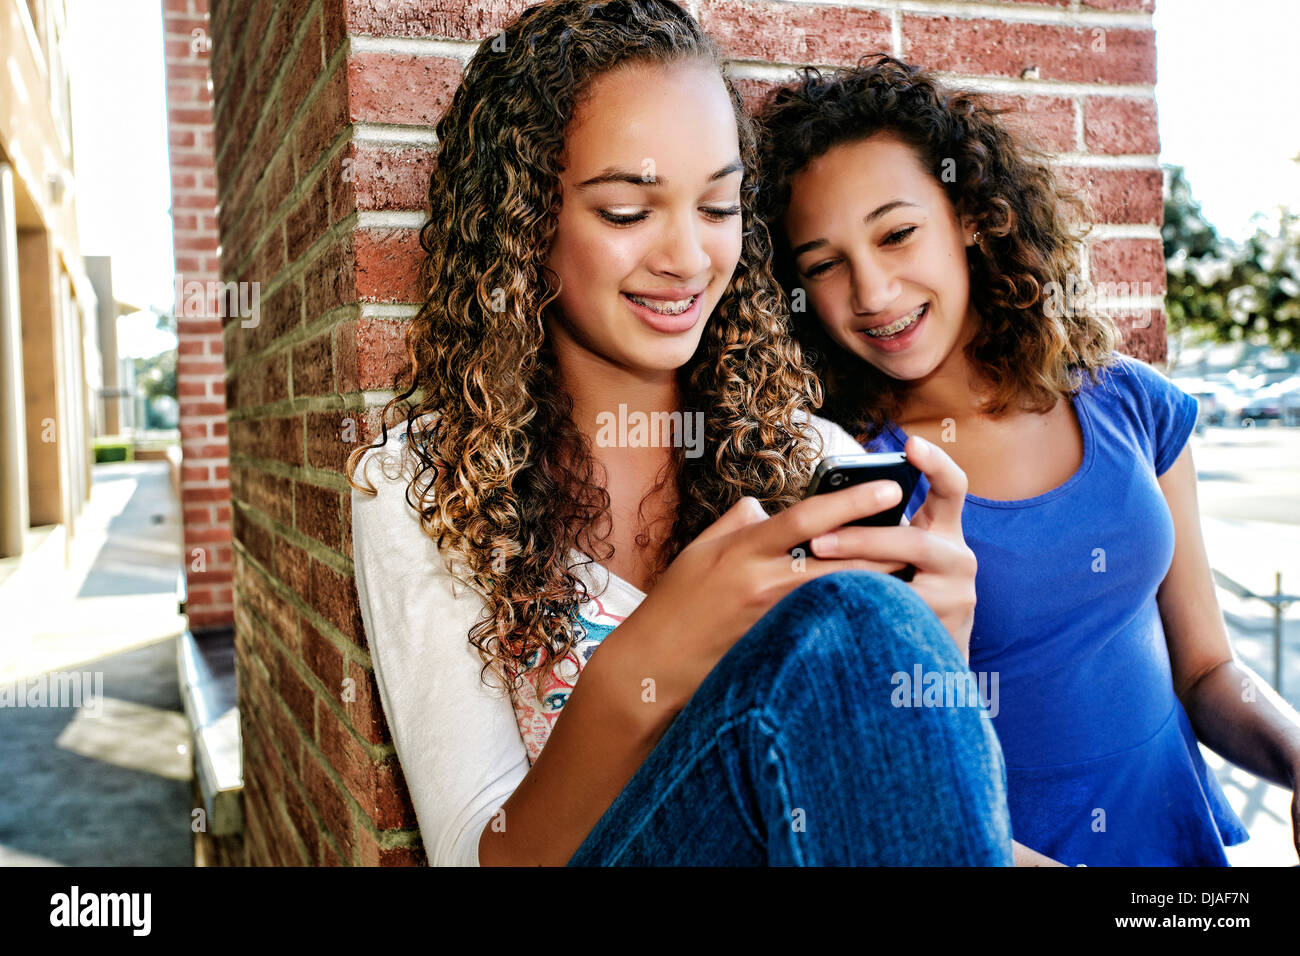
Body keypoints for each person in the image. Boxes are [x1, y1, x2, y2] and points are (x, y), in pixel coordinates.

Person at [346, 2, 1013, 866]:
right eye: (628, 212)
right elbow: (480, 853)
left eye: (720, 206)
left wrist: (933, 653)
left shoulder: (817, 465)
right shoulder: (425, 486)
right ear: (525, 222)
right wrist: (648, 661)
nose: (690, 259)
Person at [756, 53, 1300, 866]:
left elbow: (1210, 670)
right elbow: (895, 777)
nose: (870, 292)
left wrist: (1295, 755)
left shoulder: (1131, 403)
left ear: (972, 216)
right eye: (824, 266)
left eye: (897, 233)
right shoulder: (854, 479)